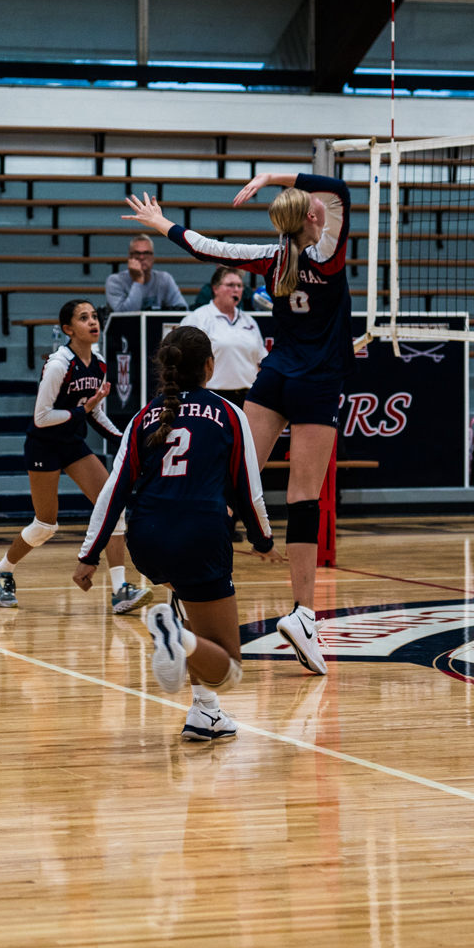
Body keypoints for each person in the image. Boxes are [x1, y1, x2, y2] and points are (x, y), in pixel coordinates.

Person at [126, 168, 353, 674]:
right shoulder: (330, 257)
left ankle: (187, 591)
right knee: (304, 499)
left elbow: (205, 247)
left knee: (227, 483)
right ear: (313, 219)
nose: (322, 210)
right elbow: (337, 190)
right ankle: (303, 614)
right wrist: (272, 176)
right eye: (316, 210)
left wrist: (162, 223)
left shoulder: (269, 259)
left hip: (272, 378)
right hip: (317, 383)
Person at [74, 325, 273, 742]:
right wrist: (263, 540)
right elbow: (247, 488)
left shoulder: (144, 416)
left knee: (184, 594)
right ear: (208, 366)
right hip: (199, 535)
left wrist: (90, 554)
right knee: (230, 668)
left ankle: (206, 714)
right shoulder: (229, 414)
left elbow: (114, 490)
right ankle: (173, 635)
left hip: (146, 539)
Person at [0, 299, 149, 616]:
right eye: (83, 317)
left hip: (72, 443)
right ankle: (1, 570)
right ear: (67, 329)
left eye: (95, 316)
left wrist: (124, 440)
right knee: (45, 525)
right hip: (43, 445)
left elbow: (96, 416)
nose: (93, 322)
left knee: (113, 504)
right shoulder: (59, 364)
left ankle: (120, 590)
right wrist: (83, 409)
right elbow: (41, 417)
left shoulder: (99, 363)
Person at [180, 266, 264, 404]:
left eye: (239, 285)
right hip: (211, 396)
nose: (236, 289)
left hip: (248, 397)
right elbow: (185, 361)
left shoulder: (249, 321)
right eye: (230, 285)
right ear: (215, 289)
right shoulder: (198, 318)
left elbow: (261, 360)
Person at [105, 235, 185, 313]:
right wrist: (138, 280)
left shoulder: (164, 279)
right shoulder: (115, 281)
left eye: (146, 253)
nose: (141, 257)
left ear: (153, 257)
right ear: (129, 256)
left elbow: (182, 309)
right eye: (137, 253)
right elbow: (126, 316)